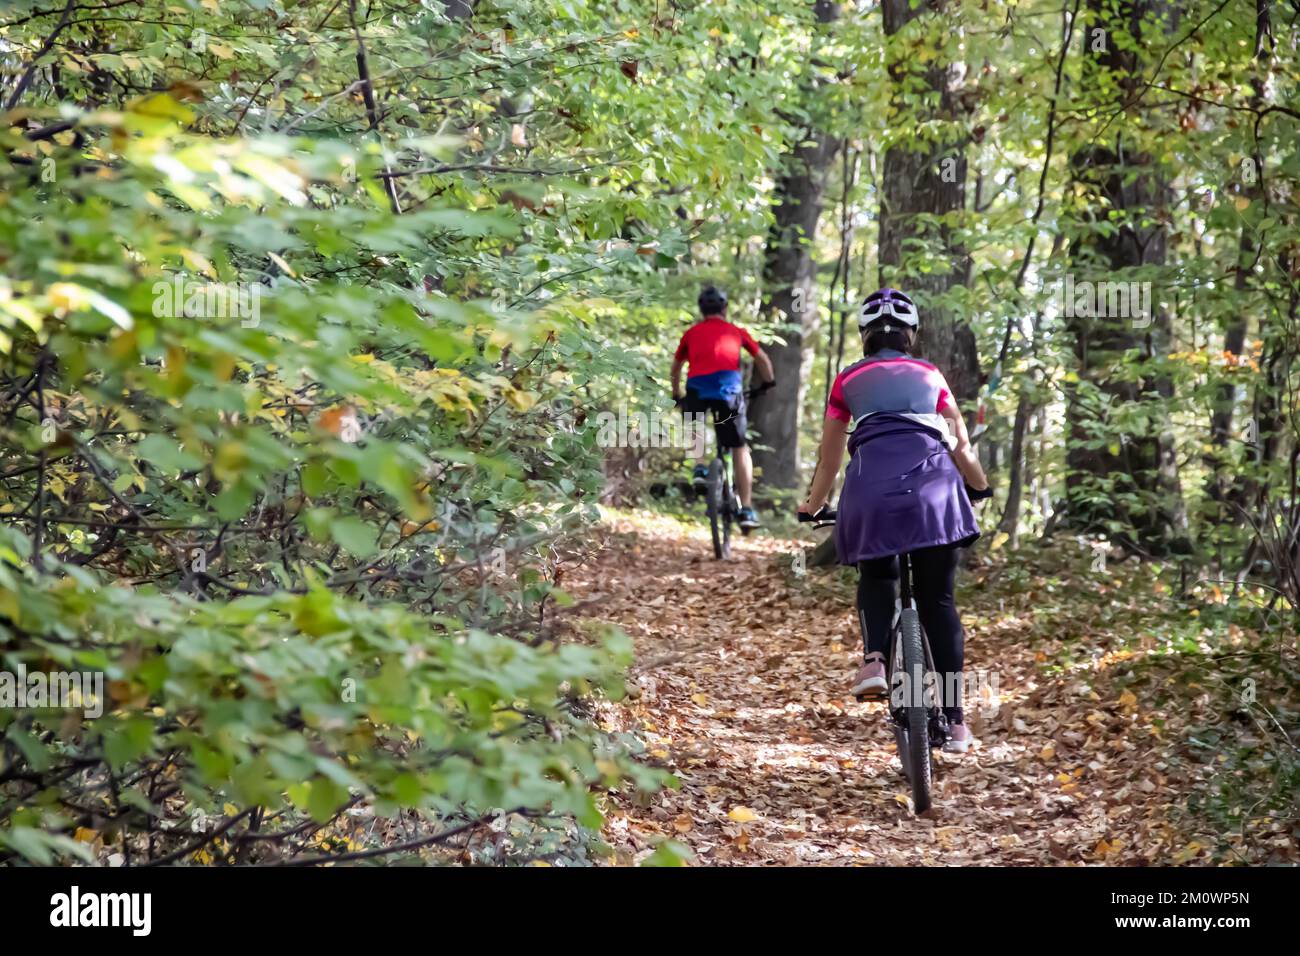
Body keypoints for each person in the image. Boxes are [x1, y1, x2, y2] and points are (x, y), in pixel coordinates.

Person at [798, 288, 990, 753]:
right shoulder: (931, 374)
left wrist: (811, 505)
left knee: (878, 573)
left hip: (870, 494)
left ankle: (873, 661)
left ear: (865, 335)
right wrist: (979, 487)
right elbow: (962, 447)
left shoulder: (846, 381)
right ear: (911, 334)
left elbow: (827, 463)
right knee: (938, 600)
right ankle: (957, 723)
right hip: (935, 493)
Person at [671, 286, 774, 530]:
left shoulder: (691, 333)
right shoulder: (736, 331)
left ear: (702, 310)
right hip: (728, 392)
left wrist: (677, 395)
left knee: (695, 422)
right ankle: (747, 508)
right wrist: (768, 382)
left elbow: (675, 368)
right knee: (739, 447)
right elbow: (762, 360)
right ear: (725, 309)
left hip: (697, 388)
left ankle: (698, 467)